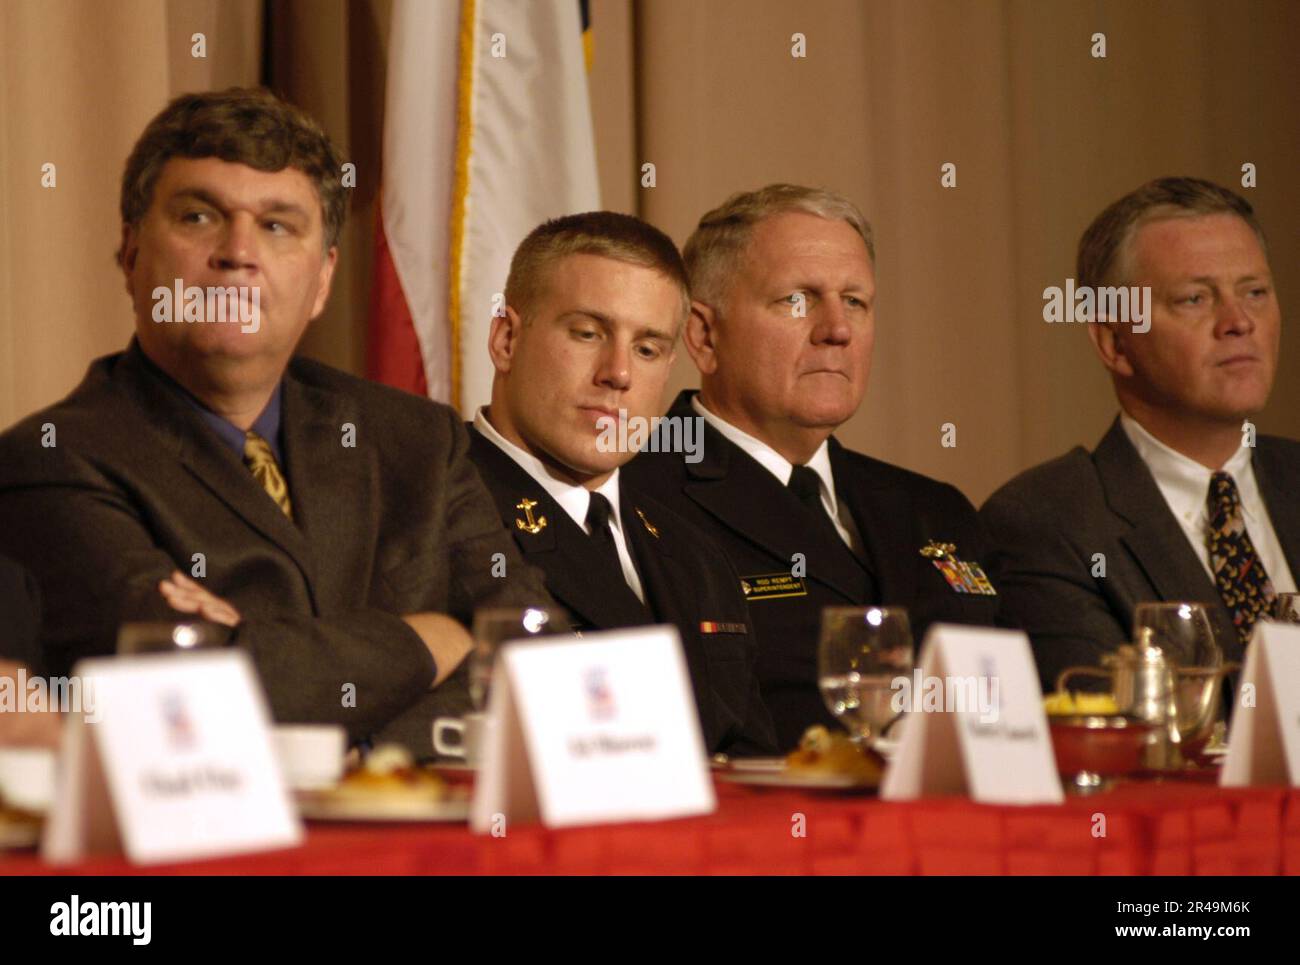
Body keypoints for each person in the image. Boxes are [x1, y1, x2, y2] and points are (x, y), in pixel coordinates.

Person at [0, 88, 551, 756]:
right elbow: (189, 691)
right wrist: (432, 637)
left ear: (322, 280)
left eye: (278, 224)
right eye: (199, 216)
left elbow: (531, 649)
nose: (237, 252)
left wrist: (365, 752)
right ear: (130, 254)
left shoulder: (415, 439)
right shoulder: (51, 459)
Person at [625, 184, 999, 749]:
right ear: (704, 335)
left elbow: (1012, 712)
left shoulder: (935, 510)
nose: (837, 328)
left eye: (856, 301)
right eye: (797, 300)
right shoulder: (636, 496)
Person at [467, 212, 776, 756]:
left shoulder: (695, 553)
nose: (619, 373)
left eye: (648, 348)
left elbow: (751, 760)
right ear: (506, 339)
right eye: (588, 333)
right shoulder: (427, 513)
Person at [981, 177, 1297, 691]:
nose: (1239, 322)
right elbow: (1118, 731)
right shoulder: (1047, 524)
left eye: (1255, 292)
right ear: (1114, 342)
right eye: (1195, 299)